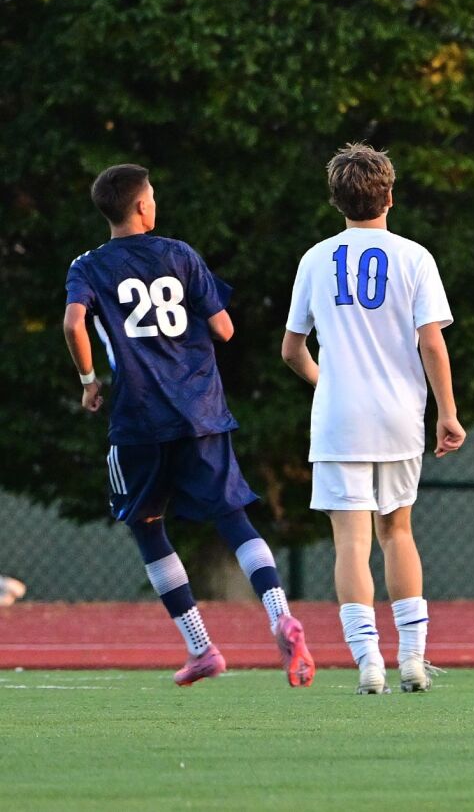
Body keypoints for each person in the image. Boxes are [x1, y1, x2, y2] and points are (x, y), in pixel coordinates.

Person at [61, 163, 313, 688]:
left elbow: (72, 321)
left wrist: (88, 379)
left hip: (139, 416)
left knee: (147, 524)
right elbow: (224, 328)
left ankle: (201, 646)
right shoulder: (180, 254)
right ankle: (279, 613)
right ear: (143, 207)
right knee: (234, 516)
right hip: (201, 411)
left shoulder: (88, 265)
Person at [281, 144, 464, 695]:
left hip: (339, 422)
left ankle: (367, 663)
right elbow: (430, 341)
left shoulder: (315, 259)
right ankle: (412, 658)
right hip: (399, 418)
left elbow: (292, 350)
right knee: (398, 531)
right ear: (389, 195)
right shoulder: (414, 257)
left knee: (349, 545)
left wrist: (328, 385)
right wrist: (447, 412)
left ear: (335, 199)